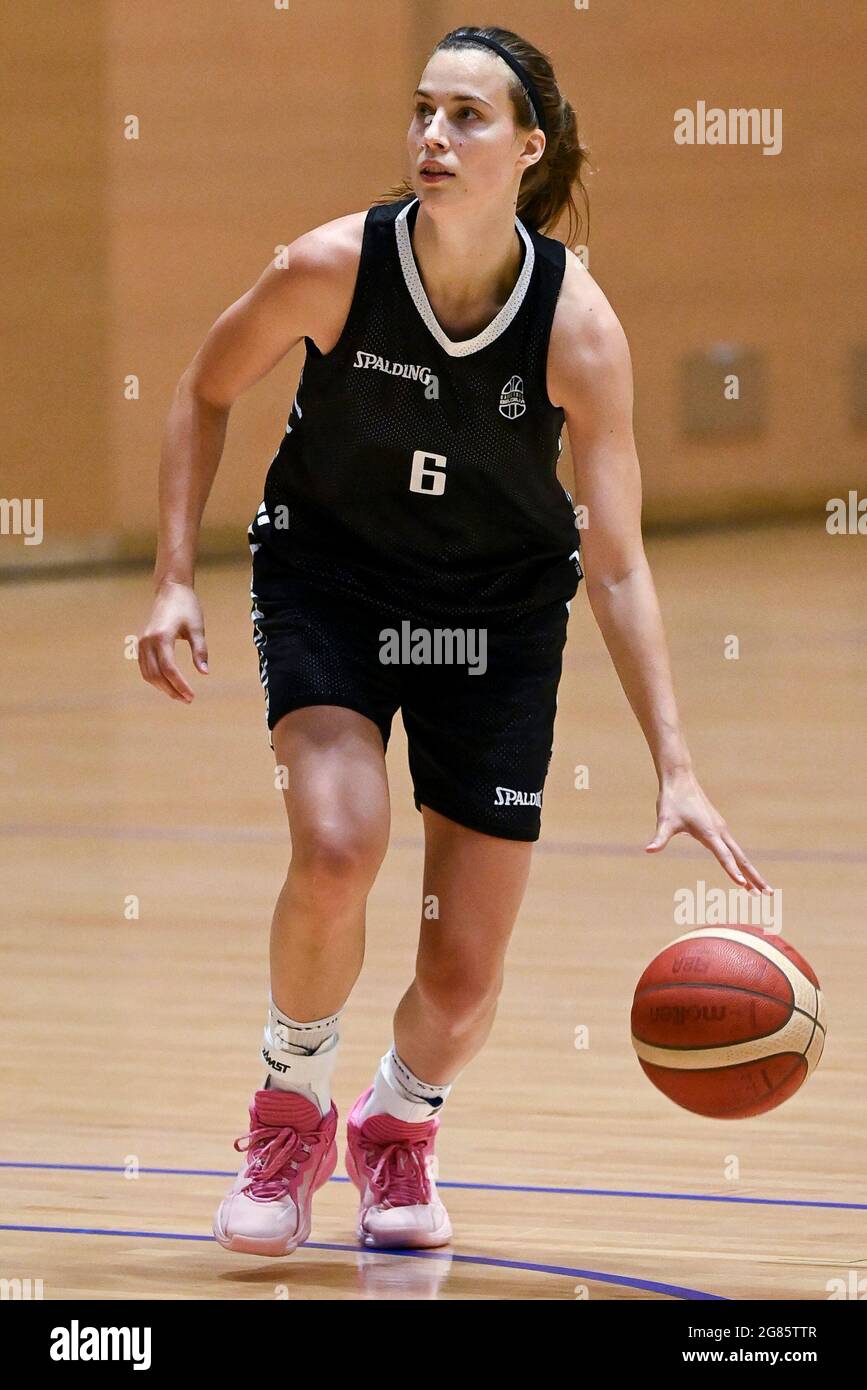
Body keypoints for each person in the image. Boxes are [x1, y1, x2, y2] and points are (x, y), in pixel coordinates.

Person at [138, 24, 770, 1258]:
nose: (434, 135)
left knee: (466, 976)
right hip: (333, 578)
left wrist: (677, 758)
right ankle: (290, 1106)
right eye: (423, 111)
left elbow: (620, 554)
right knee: (337, 845)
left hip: (498, 613)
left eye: (467, 117)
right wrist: (172, 577)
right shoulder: (333, 265)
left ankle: (396, 1126)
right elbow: (204, 388)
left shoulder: (579, 329)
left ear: (529, 150)